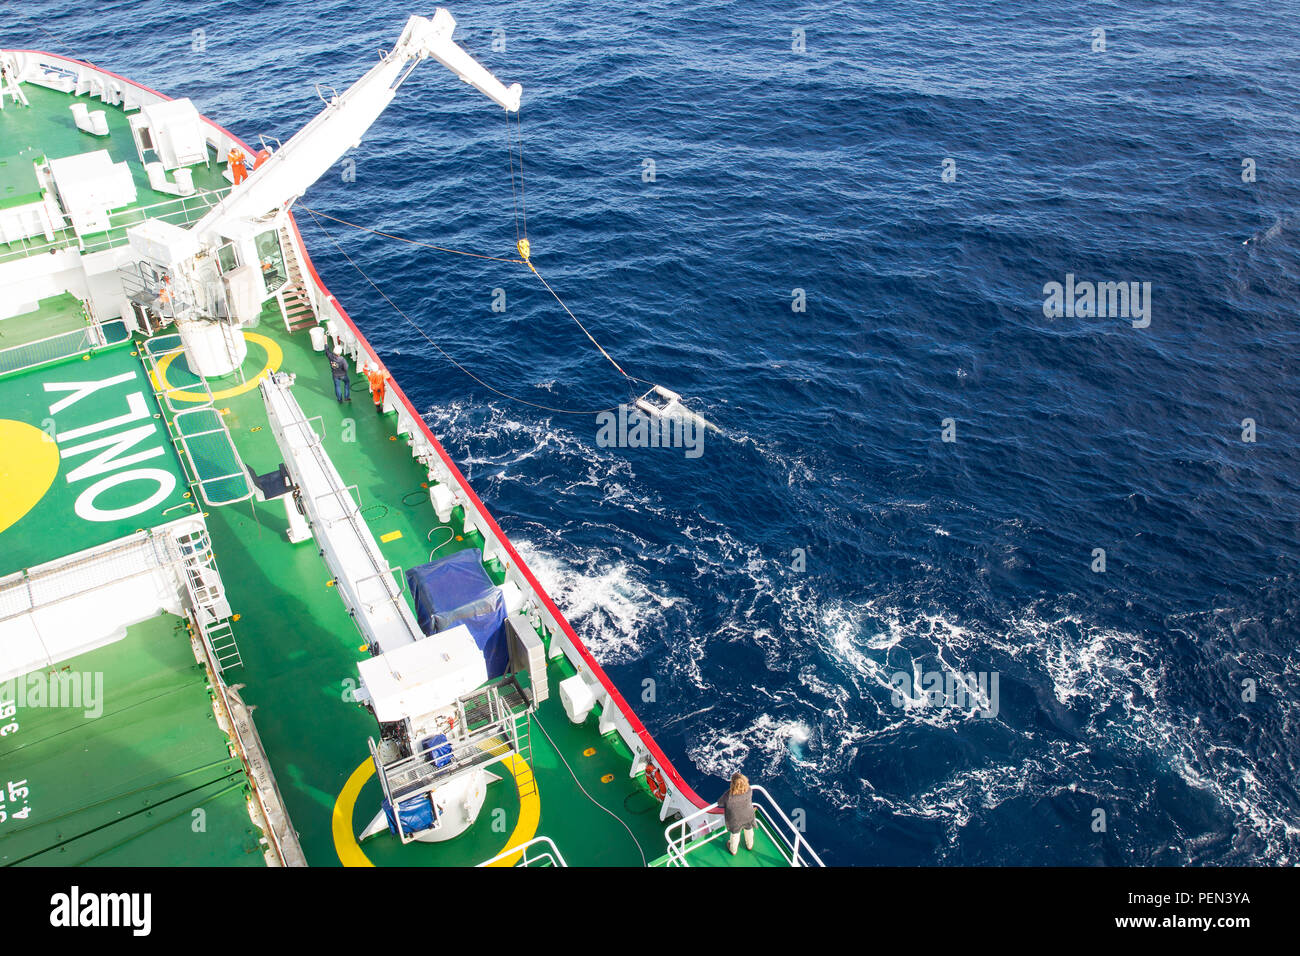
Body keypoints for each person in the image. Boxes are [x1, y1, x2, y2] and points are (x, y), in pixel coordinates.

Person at [717, 772, 755, 855]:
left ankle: (733, 850)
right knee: (749, 829)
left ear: (733, 784)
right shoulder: (749, 790)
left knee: (735, 835)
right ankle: (749, 845)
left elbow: (720, 803)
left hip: (736, 820)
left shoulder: (728, 796)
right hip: (749, 815)